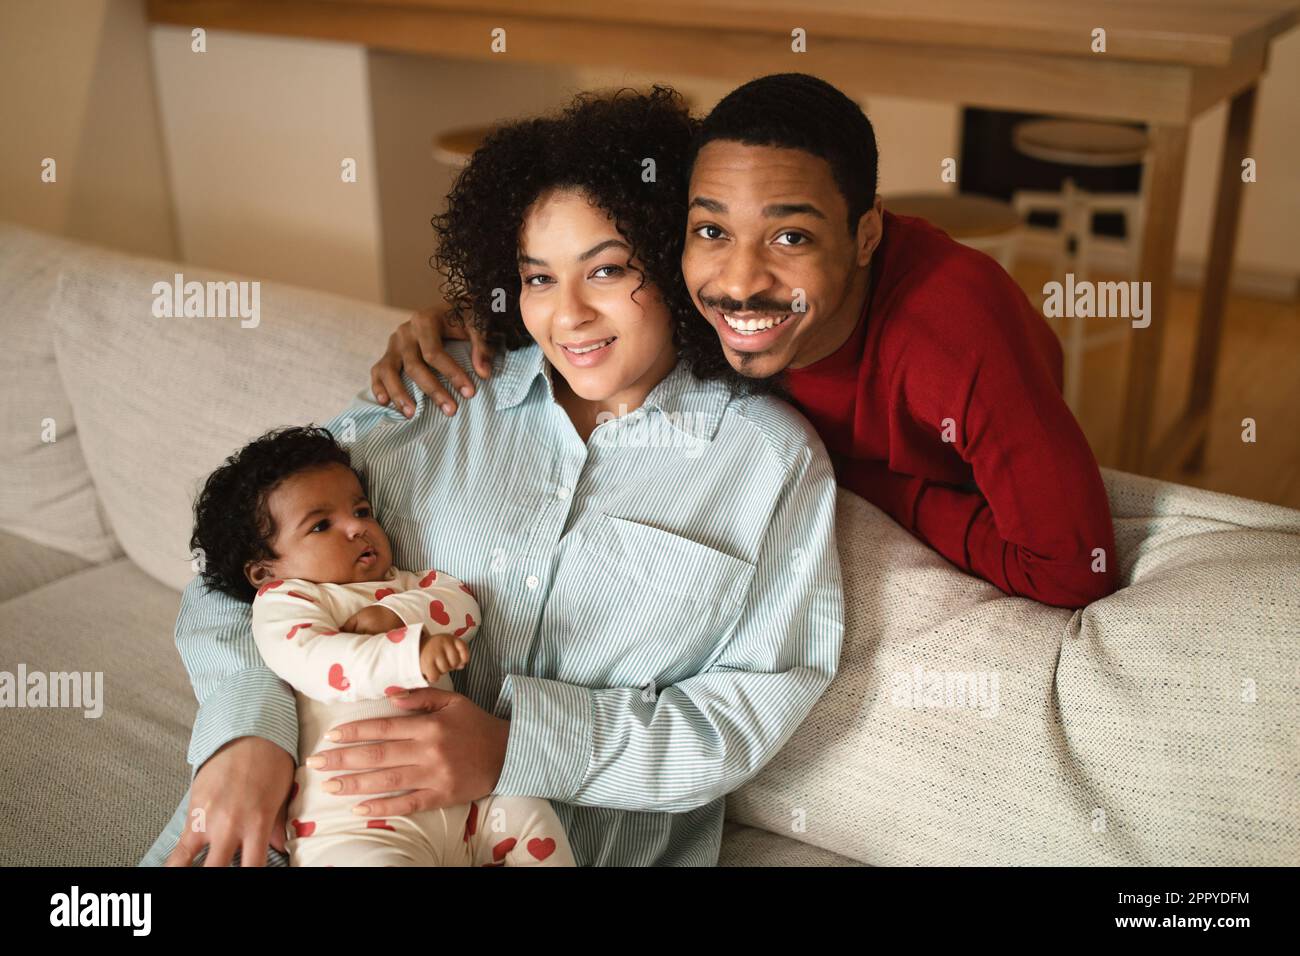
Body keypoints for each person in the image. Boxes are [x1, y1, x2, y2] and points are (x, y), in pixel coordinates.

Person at [140, 86, 843, 867]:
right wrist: (246, 733)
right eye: (539, 278)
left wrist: (516, 749)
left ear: (675, 260)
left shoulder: (767, 464)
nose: (566, 316)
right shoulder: (434, 395)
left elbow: (748, 711)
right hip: (301, 828)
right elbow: (236, 571)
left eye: (606, 271)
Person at [375, 74, 1118, 610]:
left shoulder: (957, 337)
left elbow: (1071, 571)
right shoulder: (702, 297)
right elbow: (586, 288)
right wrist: (469, 311)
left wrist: (880, 486)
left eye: (790, 235)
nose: (739, 282)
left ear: (865, 235)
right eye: (711, 230)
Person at [189, 424, 574, 866]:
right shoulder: (287, 601)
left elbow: (463, 605)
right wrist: (405, 652)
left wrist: (399, 615)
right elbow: (318, 663)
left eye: (362, 509)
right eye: (321, 525)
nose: (357, 527)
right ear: (265, 572)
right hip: (356, 818)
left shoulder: (405, 584)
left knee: (528, 813)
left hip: (470, 807)